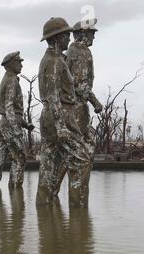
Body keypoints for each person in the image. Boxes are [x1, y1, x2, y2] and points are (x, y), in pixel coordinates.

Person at [36, 17, 90, 207]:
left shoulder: (54, 59)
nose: (69, 38)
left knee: (49, 166)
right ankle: (78, 216)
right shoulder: (53, 61)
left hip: (51, 117)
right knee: (81, 160)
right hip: (61, 115)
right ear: (57, 38)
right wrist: (61, 126)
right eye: (66, 35)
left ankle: (46, 217)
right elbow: (52, 97)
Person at [54, 18, 103, 195]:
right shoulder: (82, 51)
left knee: (76, 149)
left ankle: (57, 195)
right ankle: (74, 196)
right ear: (83, 34)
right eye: (92, 33)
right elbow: (79, 84)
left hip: (71, 107)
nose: (93, 38)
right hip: (77, 108)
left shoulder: (72, 51)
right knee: (77, 152)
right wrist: (95, 101)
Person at [0, 51, 34, 188]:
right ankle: (16, 191)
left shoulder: (7, 79)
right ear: (11, 64)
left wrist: (25, 124)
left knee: (0, 159)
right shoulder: (11, 80)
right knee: (20, 157)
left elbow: (11, 108)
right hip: (9, 125)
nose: (21, 65)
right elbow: (9, 106)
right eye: (19, 62)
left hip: (4, 124)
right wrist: (15, 128)